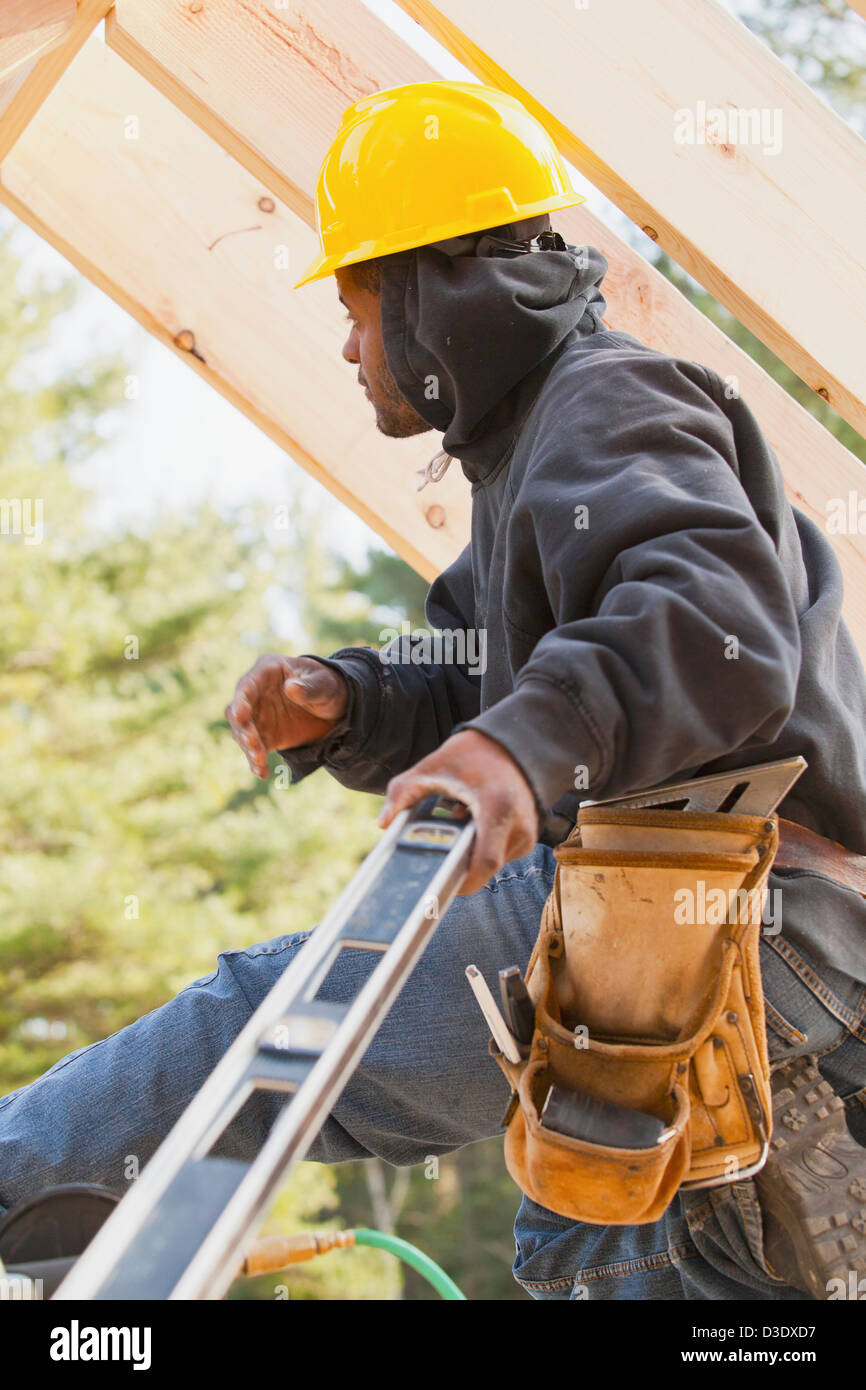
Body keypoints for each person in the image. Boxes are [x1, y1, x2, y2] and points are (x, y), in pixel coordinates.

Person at [2, 81, 864, 1301]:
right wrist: (350, 700)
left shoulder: (606, 402)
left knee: (273, 1026)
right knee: (601, 1238)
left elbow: (711, 622)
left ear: (433, 295)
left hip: (707, 901)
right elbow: (471, 666)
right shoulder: (538, 457)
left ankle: (10, 1185)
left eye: (356, 308)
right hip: (757, 944)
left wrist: (523, 754)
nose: (347, 347)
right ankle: (748, 1242)